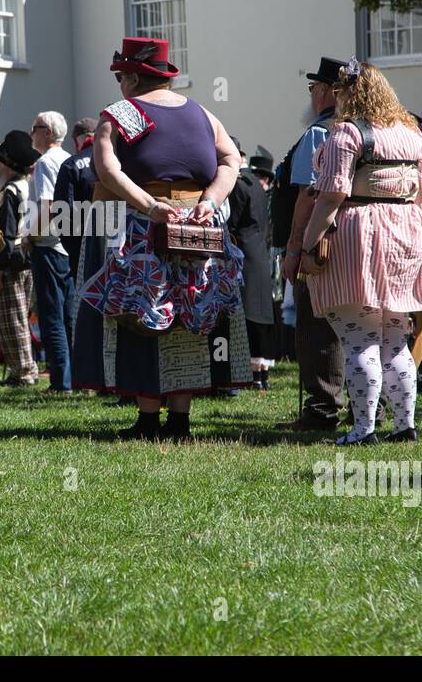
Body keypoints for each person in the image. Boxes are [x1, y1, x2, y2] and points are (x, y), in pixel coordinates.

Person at [75, 37, 249, 440]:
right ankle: (180, 421)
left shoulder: (119, 113)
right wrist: (210, 200)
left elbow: (106, 169)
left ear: (134, 77)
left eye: (122, 76)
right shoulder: (203, 113)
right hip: (200, 228)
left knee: (141, 316)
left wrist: (149, 205)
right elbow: (231, 160)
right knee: (191, 317)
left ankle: (150, 418)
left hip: (143, 228)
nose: (120, 83)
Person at [297, 60, 422, 445]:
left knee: (358, 336)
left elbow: (331, 194)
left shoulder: (347, 133)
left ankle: (364, 429)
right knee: (396, 337)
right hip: (407, 232)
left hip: (359, 234)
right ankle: (404, 426)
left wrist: (308, 243)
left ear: (350, 93)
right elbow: (421, 189)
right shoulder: (412, 132)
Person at [274, 57, 348, 431]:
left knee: (317, 327)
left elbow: (306, 196)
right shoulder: (368, 129)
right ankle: (373, 408)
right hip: (356, 241)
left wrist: (293, 250)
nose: (312, 95)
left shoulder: (320, 134)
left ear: (327, 92)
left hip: (319, 245)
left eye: (314, 88)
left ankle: (322, 409)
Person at [0, 131, 41, 387]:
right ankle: (23, 369)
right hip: (25, 258)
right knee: (19, 316)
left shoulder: (10, 191)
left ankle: (23, 372)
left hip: (11, 262)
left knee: (11, 318)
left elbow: (5, 235)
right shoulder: (27, 186)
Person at [27, 111, 74, 393]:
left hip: (48, 244)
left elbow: (46, 206)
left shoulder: (45, 162)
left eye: (35, 128)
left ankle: (61, 381)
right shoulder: (67, 159)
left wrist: (30, 236)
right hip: (66, 244)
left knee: (51, 315)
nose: (31, 132)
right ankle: (75, 377)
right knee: (67, 315)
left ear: (47, 132)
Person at [229, 143, 275, 391]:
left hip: (244, 253)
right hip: (257, 252)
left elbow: (231, 221)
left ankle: (249, 376)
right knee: (258, 313)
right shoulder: (255, 183)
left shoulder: (239, 184)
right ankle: (261, 377)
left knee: (247, 315)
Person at [53, 117, 98, 284]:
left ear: (75, 140)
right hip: (117, 248)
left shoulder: (71, 165)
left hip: (84, 251)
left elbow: (63, 213)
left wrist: (74, 252)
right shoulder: (116, 161)